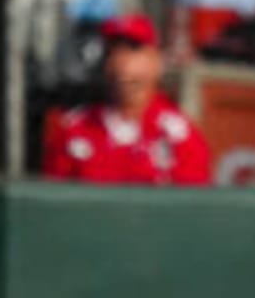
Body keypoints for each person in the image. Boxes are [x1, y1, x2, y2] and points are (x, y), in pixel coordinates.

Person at [43, 13, 212, 185]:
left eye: (133, 49)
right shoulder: (75, 131)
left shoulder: (179, 137)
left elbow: (192, 207)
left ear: (156, 62)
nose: (121, 62)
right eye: (112, 52)